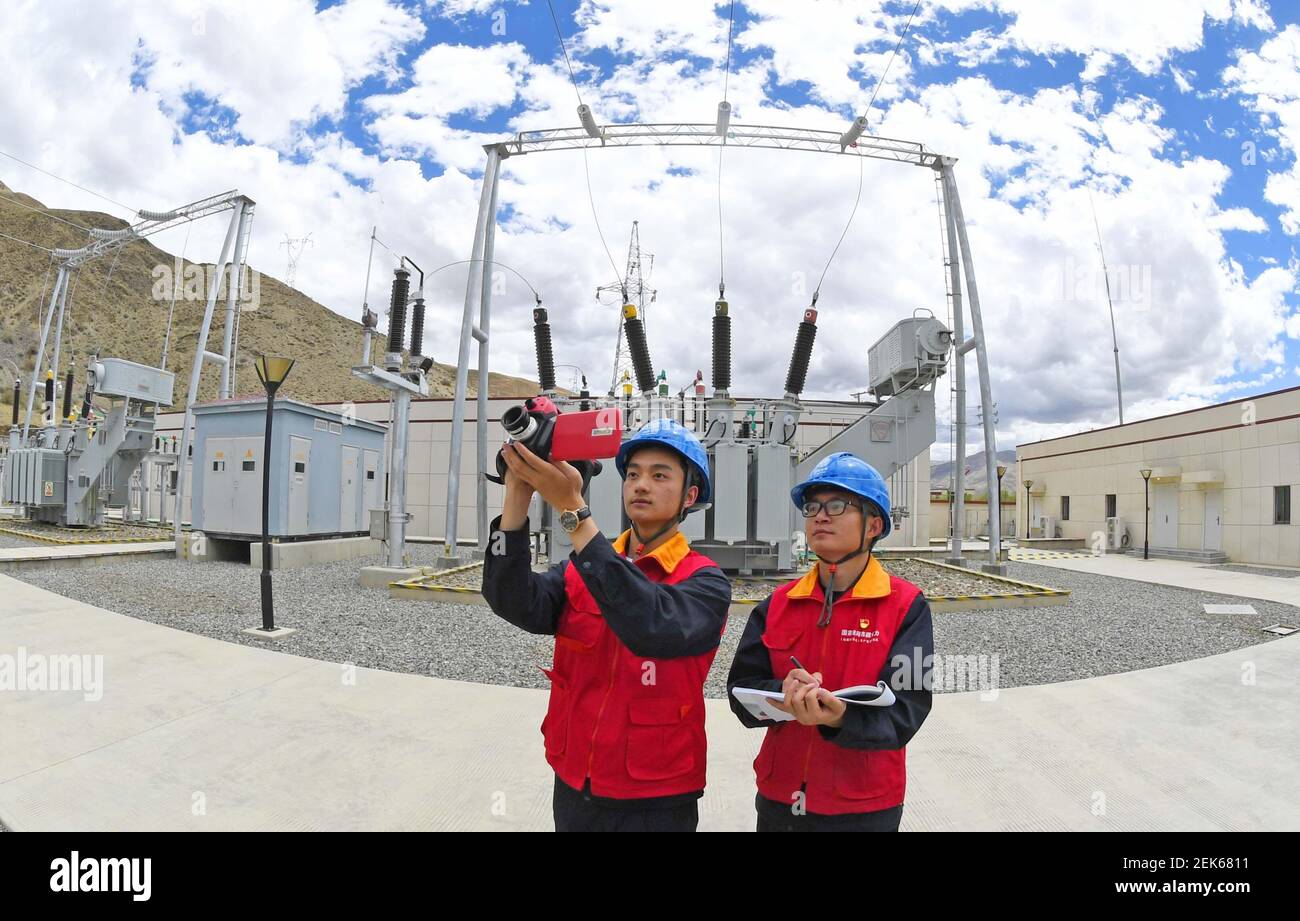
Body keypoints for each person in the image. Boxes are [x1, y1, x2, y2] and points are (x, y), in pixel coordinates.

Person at [482, 417, 732, 832]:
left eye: (659, 475)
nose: (641, 484)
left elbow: (649, 623)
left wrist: (573, 512)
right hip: (577, 779)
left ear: (690, 495)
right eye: (632, 474)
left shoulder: (704, 581)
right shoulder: (583, 568)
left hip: (656, 795)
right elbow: (513, 601)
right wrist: (518, 494)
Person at [726, 452, 934, 832]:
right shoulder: (776, 605)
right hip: (780, 800)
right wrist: (780, 693)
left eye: (837, 505)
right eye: (812, 506)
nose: (820, 516)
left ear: (873, 525)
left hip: (863, 808)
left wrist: (840, 717)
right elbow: (740, 693)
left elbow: (909, 709)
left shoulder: (907, 607)